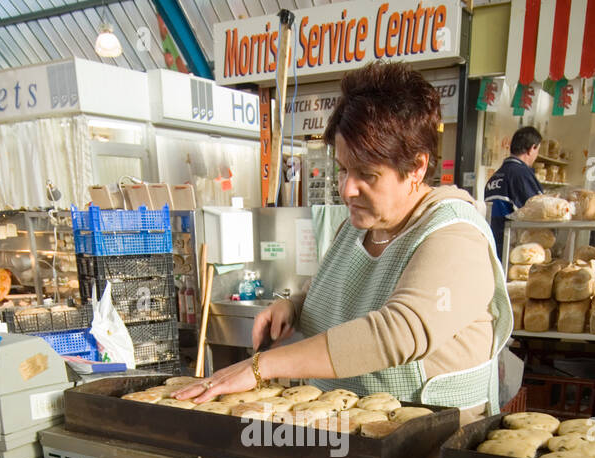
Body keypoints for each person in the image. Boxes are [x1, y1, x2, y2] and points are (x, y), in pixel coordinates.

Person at [176, 62, 513, 420]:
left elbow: (397, 332)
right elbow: (343, 293)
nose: (347, 189)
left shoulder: (455, 235)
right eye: (343, 169)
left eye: (367, 174)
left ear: (416, 167)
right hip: (343, 433)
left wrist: (261, 366)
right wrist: (295, 307)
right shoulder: (357, 226)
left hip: (428, 446)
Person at [484, 126, 544, 261]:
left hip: (493, 249)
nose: (536, 156)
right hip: (514, 253)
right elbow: (539, 211)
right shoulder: (521, 174)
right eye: (537, 150)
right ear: (532, 148)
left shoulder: (494, 178)